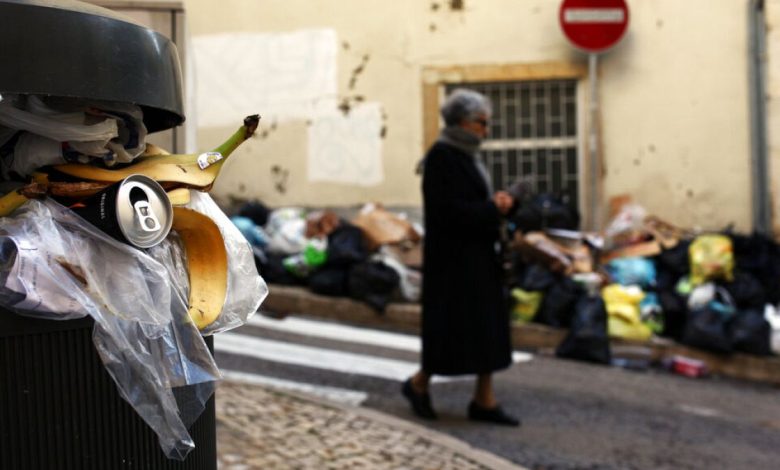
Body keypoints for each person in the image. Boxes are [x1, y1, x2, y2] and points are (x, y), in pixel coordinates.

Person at [402, 88, 519, 426]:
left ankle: (484, 399)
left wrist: (499, 205)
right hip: (453, 262)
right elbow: (447, 212)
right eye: (482, 122)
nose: (486, 129)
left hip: (478, 257)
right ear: (463, 123)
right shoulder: (442, 157)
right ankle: (418, 384)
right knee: (450, 330)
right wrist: (491, 207)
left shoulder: (466, 156)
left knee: (486, 329)